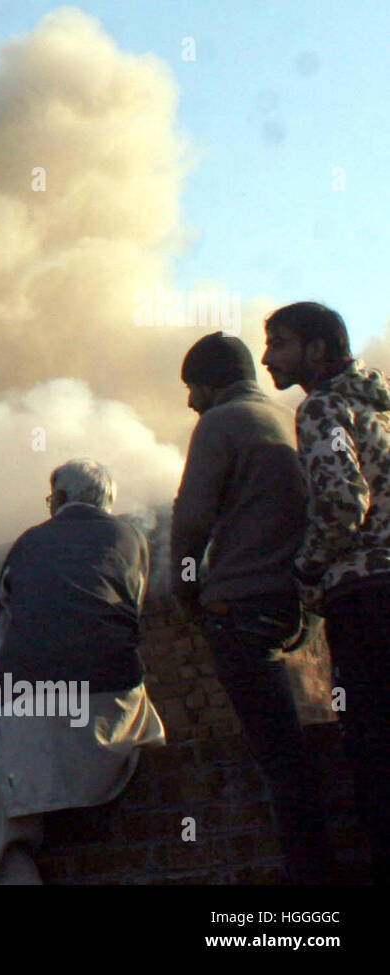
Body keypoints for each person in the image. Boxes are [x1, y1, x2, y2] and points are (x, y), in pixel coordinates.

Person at [171, 331, 332, 884]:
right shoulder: (289, 418)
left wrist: (186, 586)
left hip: (241, 607)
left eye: (192, 387)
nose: (190, 401)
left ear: (210, 382)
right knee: (304, 742)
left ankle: (310, 895)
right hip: (297, 610)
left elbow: (191, 518)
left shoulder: (219, 423)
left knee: (279, 759)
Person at [0, 459, 165, 884]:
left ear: (58, 500)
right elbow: (130, 612)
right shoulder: (130, 538)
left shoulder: (28, 543)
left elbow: (7, 629)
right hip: (112, 703)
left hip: (34, 709)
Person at [262, 301, 390, 883]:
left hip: (365, 601)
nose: (268, 357)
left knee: (373, 747)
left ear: (316, 350)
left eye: (280, 343)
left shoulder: (321, 408)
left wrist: (307, 571)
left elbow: (342, 501)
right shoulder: (380, 408)